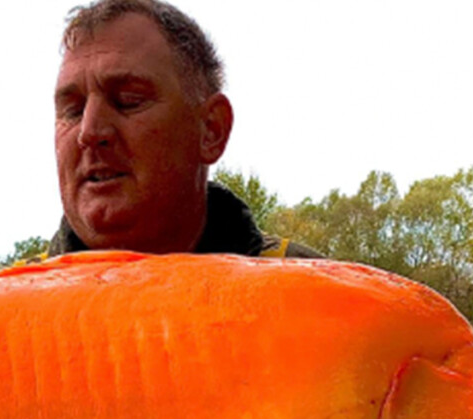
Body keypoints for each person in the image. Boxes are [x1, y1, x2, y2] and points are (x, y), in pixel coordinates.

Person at [48, 0, 322, 259]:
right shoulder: (6, 300)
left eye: (128, 101)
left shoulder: (323, 296)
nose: (90, 131)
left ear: (212, 130)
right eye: (73, 110)